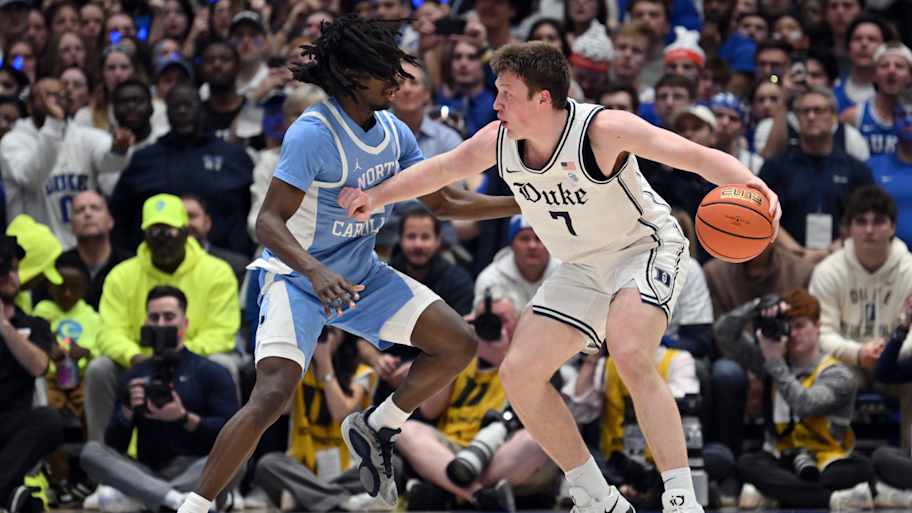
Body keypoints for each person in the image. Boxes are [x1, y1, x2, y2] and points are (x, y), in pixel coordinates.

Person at [340, 41, 781, 513]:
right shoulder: (498, 140)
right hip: (580, 266)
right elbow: (441, 170)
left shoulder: (603, 130)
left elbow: (693, 155)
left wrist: (752, 187)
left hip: (643, 249)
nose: (495, 104)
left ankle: (680, 497)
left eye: (506, 94)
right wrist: (377, 197)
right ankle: (594, 494)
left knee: (629, 352)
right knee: (519, 373)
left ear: (542, 99)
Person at [175, 16, 520, 513]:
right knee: (272, 393)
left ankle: (379, 425)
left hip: (360, 276)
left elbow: (444, 204)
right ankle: (197, 506)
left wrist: (524, 202)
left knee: (458, 343)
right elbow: (267, 224)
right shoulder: (312, 133)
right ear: (354, 75)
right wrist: (315, 272)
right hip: (298, 279)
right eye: (385, 73)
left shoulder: (394, 132)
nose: (397, 82)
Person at [85, 194, 240, 443]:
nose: (162, 240)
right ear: (144, 236)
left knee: (225, 364)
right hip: (138, 359)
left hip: (194, 359)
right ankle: (101, 460)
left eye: (168, 232)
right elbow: (108, 332)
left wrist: (181, 356)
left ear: (184, 231)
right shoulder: (121, 275)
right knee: (99, 368)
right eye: (154, 233)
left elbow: (222, 332)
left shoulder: (217, 272)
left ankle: (229, 458)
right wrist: (136, 357)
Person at [80, 286, 239, 513]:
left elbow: (229, 432)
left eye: (169, 317)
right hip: (147, 469)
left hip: (198, 468)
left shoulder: (210, 371)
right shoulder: (135, 374)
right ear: (146, 324)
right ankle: (176, 501)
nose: (161, 324)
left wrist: (185, 417)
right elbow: (114, 445)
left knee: (239, 452)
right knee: (92, 452)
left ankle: (147, 498)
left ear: (184, 324)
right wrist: (126, 411)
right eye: (154, 317)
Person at [715, 289, 874, 510]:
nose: (793, 334)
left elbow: (806, 404)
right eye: (788, 326)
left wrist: (775, 363)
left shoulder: (838, 374)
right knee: (747, 463)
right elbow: (723, 332)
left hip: (826, 459)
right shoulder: (771, 362)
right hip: (782, 457)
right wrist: (758, 306)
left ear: (818, 326)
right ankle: (830, 499)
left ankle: (776, 492)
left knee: (861, 468)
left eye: (800, 326)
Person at [252, 327, 380, 512]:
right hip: (302, 468)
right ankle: (341, 501)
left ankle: (308, 498)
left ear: (344, 337)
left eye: (331, 333)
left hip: (348, 467)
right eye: (319, 334)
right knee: (268, 464)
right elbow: (279, 409)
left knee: (389, 465)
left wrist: (325, 364)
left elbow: (341, 413)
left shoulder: (362, 373)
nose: (323, 340)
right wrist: (295, 358)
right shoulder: (299, 370)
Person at [0, 234, 63, 513]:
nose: (11, 277)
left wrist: (4, 325)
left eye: (14, 269)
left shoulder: (34, 324)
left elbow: (38, 365)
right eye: (5, 270)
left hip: (14, 422)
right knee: (28, 506)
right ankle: (9, 495)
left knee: (49, 420)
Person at [59, 192, 131, 311]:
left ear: (110, 221)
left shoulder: (129, 265)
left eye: (95, 208)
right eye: (79, 210)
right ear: (71, 225)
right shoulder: (59, 267)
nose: (87, 213)